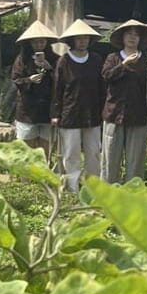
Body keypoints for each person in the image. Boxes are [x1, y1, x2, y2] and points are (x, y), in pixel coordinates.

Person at [51, 19, 105, 193]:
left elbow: (102, 87)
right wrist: (55, 114)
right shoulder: (64, 61)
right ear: (72, 40)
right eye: (79, 38)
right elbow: (58, 89)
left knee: (93, 152)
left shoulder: (96, 59)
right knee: (71, 153)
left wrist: (103, 110)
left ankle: (93, 187)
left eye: (85, 38)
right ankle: (72, 187)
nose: (82, 41)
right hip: (70, 113)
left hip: (92, 112)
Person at [101, 19, 147, 184]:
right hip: (113, 113)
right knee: (110, 158)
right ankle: (108, 192)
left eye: (136, 35)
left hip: (138, 115)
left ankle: (133, 193)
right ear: (122, 37)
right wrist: (124, 65)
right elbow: (106, 76)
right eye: (129, 34)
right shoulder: (113, 57)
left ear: (140, 39)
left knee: (136, 161)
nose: (132, 37)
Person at [11, 20, 59, 160]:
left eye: (42, 41)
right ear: (30, 43)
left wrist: (50, 68)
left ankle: (44, 171)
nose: (39, 45)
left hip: (48, 109)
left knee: (46, 149)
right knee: (26, 148)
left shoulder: (55, 59)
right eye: (35, 42)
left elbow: (63, 80)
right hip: (27, 110)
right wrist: (29, 80)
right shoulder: (22, 60)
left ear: (47, 42)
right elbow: (16, 79)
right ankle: (26, 173)